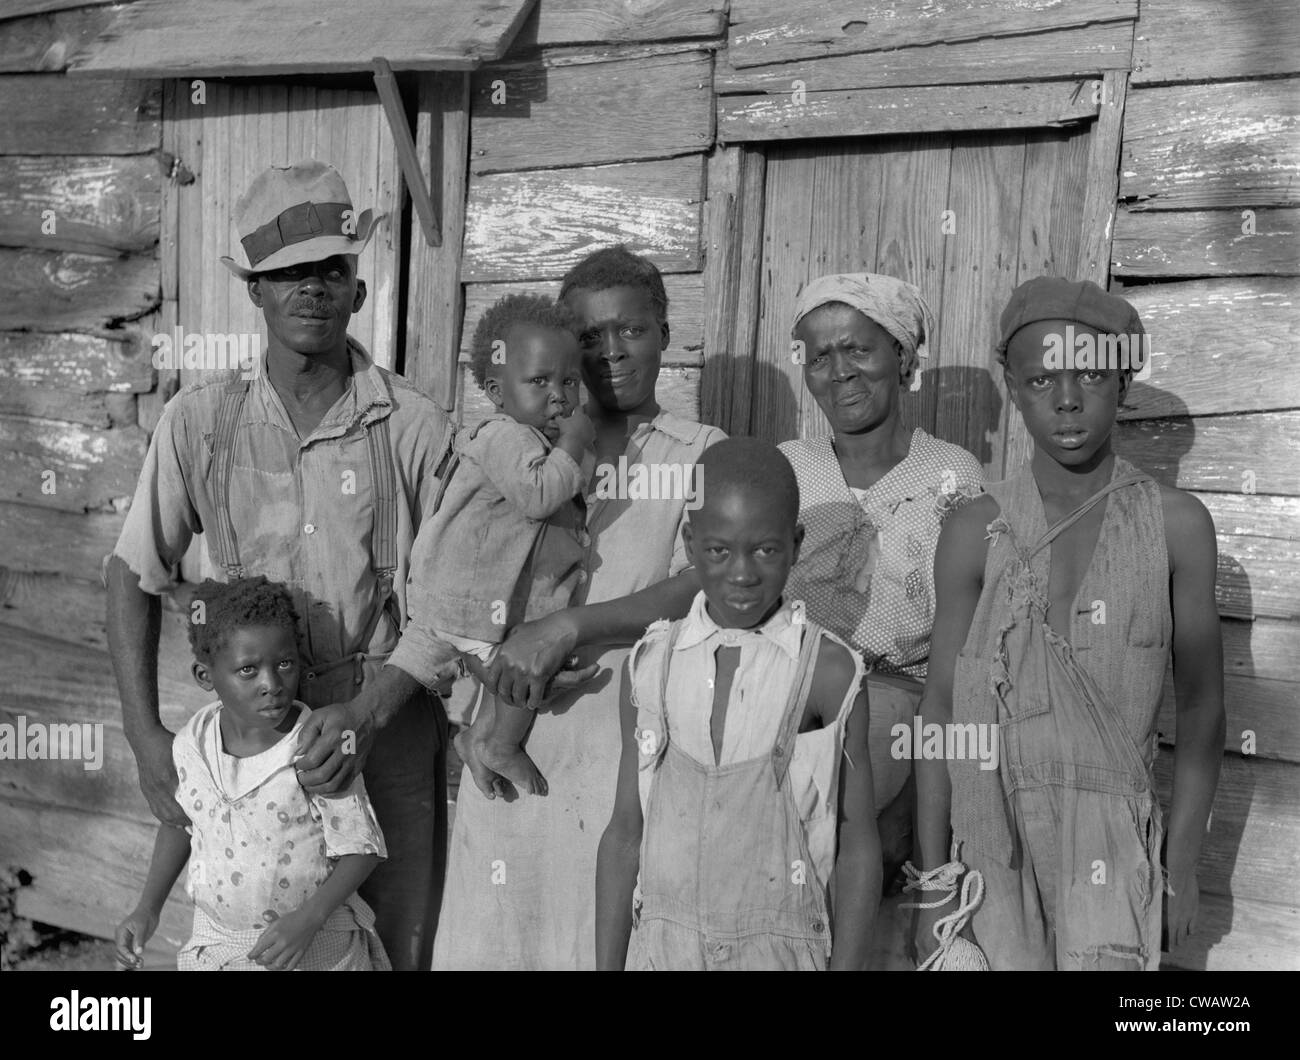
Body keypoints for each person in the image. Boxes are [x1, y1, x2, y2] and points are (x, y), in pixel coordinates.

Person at [106, 161, 454, 970]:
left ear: (358, 288)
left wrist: (369, 711)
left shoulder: (414, 425)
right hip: (248, 746)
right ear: (254, 290)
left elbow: (453, 602)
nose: (312, 289)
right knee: (251, 943)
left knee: (387, 949)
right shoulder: (200, 422)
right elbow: (131, 573)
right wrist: (143, 734)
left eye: (331, 270)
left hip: (387, 731)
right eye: (288, 273)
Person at [389, 246, 725, 969]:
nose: (610, 353)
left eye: (631, 331)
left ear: (666, 331)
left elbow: (702, 581)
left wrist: (567, 625)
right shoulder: (514, 451)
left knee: (593, 941)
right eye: (590, 337)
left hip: (617, 756)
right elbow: (457, 574)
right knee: (496, 939)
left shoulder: (698, 455)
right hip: (506, 737)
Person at [914, 277, 1225, 970]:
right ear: (1014, 387)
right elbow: (939, 707)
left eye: (1090, 374)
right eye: (1040, 379)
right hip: (988, 837)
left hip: (1115, 848)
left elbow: (1203, 711)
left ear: (1123, 381)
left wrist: (1182, 864)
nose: (1066, 399)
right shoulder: (974, 528)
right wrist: (934, 879)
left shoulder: (1176, 527)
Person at [596, 438, 880, 970]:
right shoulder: (652, 664)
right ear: (689, 542)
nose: (743, 574)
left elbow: (857, 841)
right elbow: (624, 833)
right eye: (718, 550)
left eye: (766, 549)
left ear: (796, 544)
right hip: (665, 953)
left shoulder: (827, 670)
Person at [778, 273, 984, 874]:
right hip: (789, 696)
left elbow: (958, 649)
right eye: (819, 357)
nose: (838, 371)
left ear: (901, 355)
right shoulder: (788, 467)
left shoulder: (951, 474)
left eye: (858, 349)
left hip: (900, 705)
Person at [115, 576, 389, 971]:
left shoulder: (315, 745)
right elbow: (182, 823)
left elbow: (361, 848)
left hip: (316, 947)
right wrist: (147, 909)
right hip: (222, 947)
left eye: (284, 664)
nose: (272, 685)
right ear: (206, 676)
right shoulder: (194, 744)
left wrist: (310, 919)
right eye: (248, 670)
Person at [407, 293, 595, 797]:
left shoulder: (528, 437)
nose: (558, 395)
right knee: (523, 671)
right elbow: (538, 496)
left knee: (513, 659)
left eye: (568, 382)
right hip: (465, 600)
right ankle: (500, 745)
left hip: (477, 597)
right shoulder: (504, 436)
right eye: (539, 382)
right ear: (496, 390)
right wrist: (576, 444)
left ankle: (479, 738)